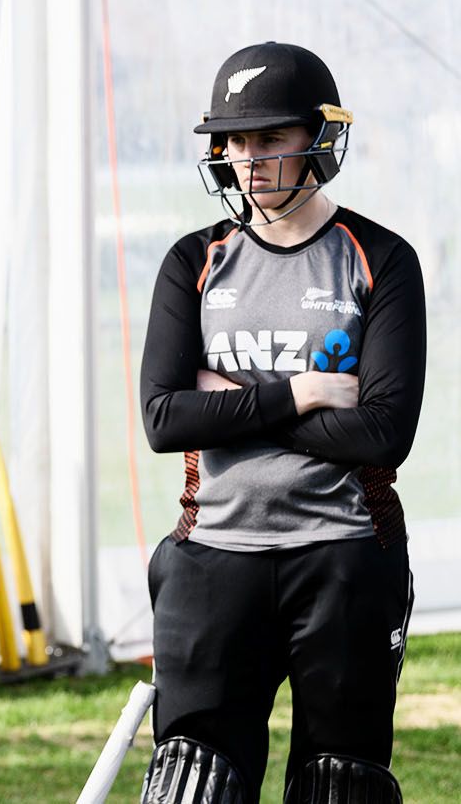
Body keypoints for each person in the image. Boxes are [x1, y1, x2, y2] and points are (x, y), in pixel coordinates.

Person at [137, 42, 425, 803]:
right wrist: (301, 393)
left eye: (270, 138)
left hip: (345, 554)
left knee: (340, 784)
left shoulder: (381, 259)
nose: (248, 160)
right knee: (193, 781)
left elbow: (384, 434)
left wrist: (228, 403)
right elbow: (164, 419)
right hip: (213, 555)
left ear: (319, 140)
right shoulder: (194, 261)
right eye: (233, 142)